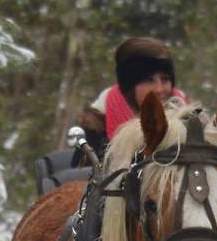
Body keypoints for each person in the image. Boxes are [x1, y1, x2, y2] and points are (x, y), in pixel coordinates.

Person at [72, 37, 183, 165]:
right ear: (128, 87)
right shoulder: (98, 125)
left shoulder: (189, 122)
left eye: (165, 79)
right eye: (148, 80)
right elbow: (83, 179)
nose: (159, 89)